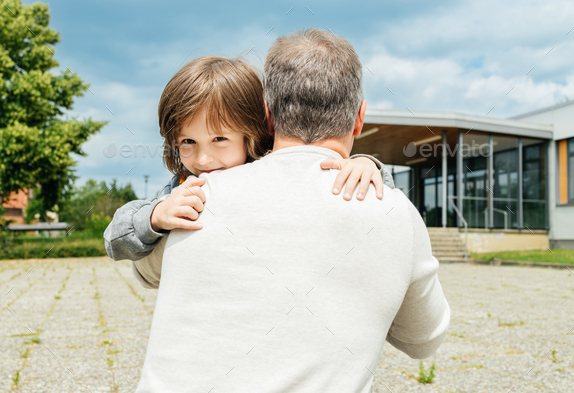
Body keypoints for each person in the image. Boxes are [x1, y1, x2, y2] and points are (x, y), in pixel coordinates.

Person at [133, 29, 450, 393]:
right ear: (359, 117)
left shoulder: (193, 198)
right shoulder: (393, 210)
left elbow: (144, 270)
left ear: (267, 116)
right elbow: (424, 340)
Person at [103, 56, 394, 262]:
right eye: (188, 142)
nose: (204, 158)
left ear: (252, 133)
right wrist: (156, 217)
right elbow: (114, 241)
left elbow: (382, 195)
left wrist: (368, 165)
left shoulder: (277, 168)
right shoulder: (184, 187)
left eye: (219, 139)